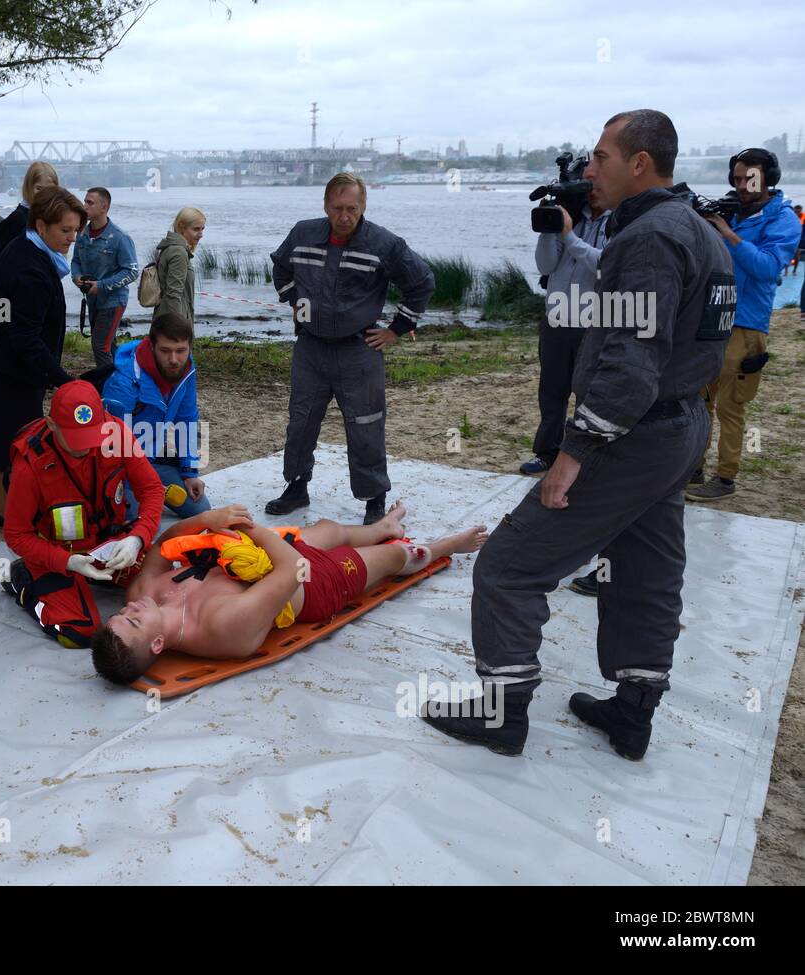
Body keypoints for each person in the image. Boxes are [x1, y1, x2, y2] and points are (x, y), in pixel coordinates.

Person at [422, 109, 735, 761]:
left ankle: (501, 710)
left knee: (509, 565)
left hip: (635, 433)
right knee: (647, 567)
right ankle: (633, 710)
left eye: (601, 157)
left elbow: (631, 359)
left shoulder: (648, 238)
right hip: (680, 428)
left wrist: (574, 453)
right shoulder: (701, 231)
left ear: (639, 163)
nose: (590, 170)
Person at [89, 502, 487, 684]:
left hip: (255, 555)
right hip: (311, 583)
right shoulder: (220, 627)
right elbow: (296, 569)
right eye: (134, 620)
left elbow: (164, 544)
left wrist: (204, 520)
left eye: (121, 615)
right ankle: (446, 546)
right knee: (395, 558)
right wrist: (255, 532)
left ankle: (383, 525)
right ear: (158, 643)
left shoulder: (142, 592)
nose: (131, 608)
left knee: (330, 529)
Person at [265, 172, 435, 525]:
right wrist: (297, 304)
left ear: (363, 207)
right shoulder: (302, 234)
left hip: (359, 352)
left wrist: (396, 330)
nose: (344, 216)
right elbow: (281, 268)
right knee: (301, 420)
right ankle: (296, 487)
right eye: (337, 208)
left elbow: (422, 281)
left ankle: (374, 498)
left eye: (352, 209)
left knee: (366, 424)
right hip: (310, 350)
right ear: (326, 206)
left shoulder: (384, 244)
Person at [0, 381, 166, 648]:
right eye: (77, 440)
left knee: (163, 587)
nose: (87, 448)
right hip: (59, 554)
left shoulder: (117, 434)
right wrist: (66, 561)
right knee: (78, 633)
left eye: (93, 436)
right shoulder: (30, 465)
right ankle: (23, 581)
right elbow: (16, 534)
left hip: (109, 543)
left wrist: (137, 538)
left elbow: (152, 490)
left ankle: (100, 573)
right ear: (52, 425)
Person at [685, 148, 803, 502]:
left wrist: (729, 235)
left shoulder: (782, 217)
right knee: (698, 401)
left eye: (748, 178)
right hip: (711, 319)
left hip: (747, 324)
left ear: (770, 178)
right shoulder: (729, 210)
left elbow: (768, 267)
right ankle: (693, 468)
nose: (741, 185)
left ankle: (725, 479)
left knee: (730, 408)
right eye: (736, 179)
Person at [0, 185, 85, 530]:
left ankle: (1, 510)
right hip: (13, 370)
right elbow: (25, 337)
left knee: (2, 441)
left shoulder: (21, 249)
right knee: (19, 446)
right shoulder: (32, 270)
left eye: (76, 231)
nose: (71, 239)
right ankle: (13, 516)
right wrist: (62, 379)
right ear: (40, 225)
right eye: (65, 230)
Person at [522, 183, 610, 477]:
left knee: (587, 394)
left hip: (593, 321)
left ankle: (582, 457)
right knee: (552, 393)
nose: (593, 193)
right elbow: (545, 266)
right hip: (557, 318)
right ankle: (547, 452)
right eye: (589, 187)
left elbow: (604, 264)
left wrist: (569, 235)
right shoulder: (573, 216)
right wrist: (549, 228)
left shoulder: (621, 219)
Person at [102, 311, 209, 518]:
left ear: (189, 347)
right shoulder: (123, 384)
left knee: (199, 508)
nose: (174, 359)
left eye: (181, 350)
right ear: (151, 347)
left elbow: (186, 421)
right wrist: (139, 486)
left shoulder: (186, 370)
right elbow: (109, 448)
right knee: (132, 519)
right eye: (165, 351)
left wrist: (189, 473)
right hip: (122, 469)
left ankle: (156, 487)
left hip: (150, 460)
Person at [71, 186, 140, 369]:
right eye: (85, 201)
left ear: (104, 207)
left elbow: (132, 271)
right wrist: (76, 277)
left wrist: (101, 285)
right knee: (108, 345)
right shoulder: (82, 234)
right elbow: (75, 261)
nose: (84, 205)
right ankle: (125, 377)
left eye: (90, 202)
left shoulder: (119, 237)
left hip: (113, 301)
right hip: (93, 300)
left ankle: (107, 387)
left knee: (100, 346)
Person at [154, 206, 203, 326]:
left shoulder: (171, 248)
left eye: (203, 229)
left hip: (166, 316)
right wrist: (179, 328)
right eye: (196, 229)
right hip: (175, 320)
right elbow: (173, 294)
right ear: (181, 227)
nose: (201, 234)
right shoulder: (178, 252)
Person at [0, 160, 59, 252]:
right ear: (28, 187)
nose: (44, 194)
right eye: (39, 188)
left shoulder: (54, 217)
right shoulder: (16, 220)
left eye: (50, 189)